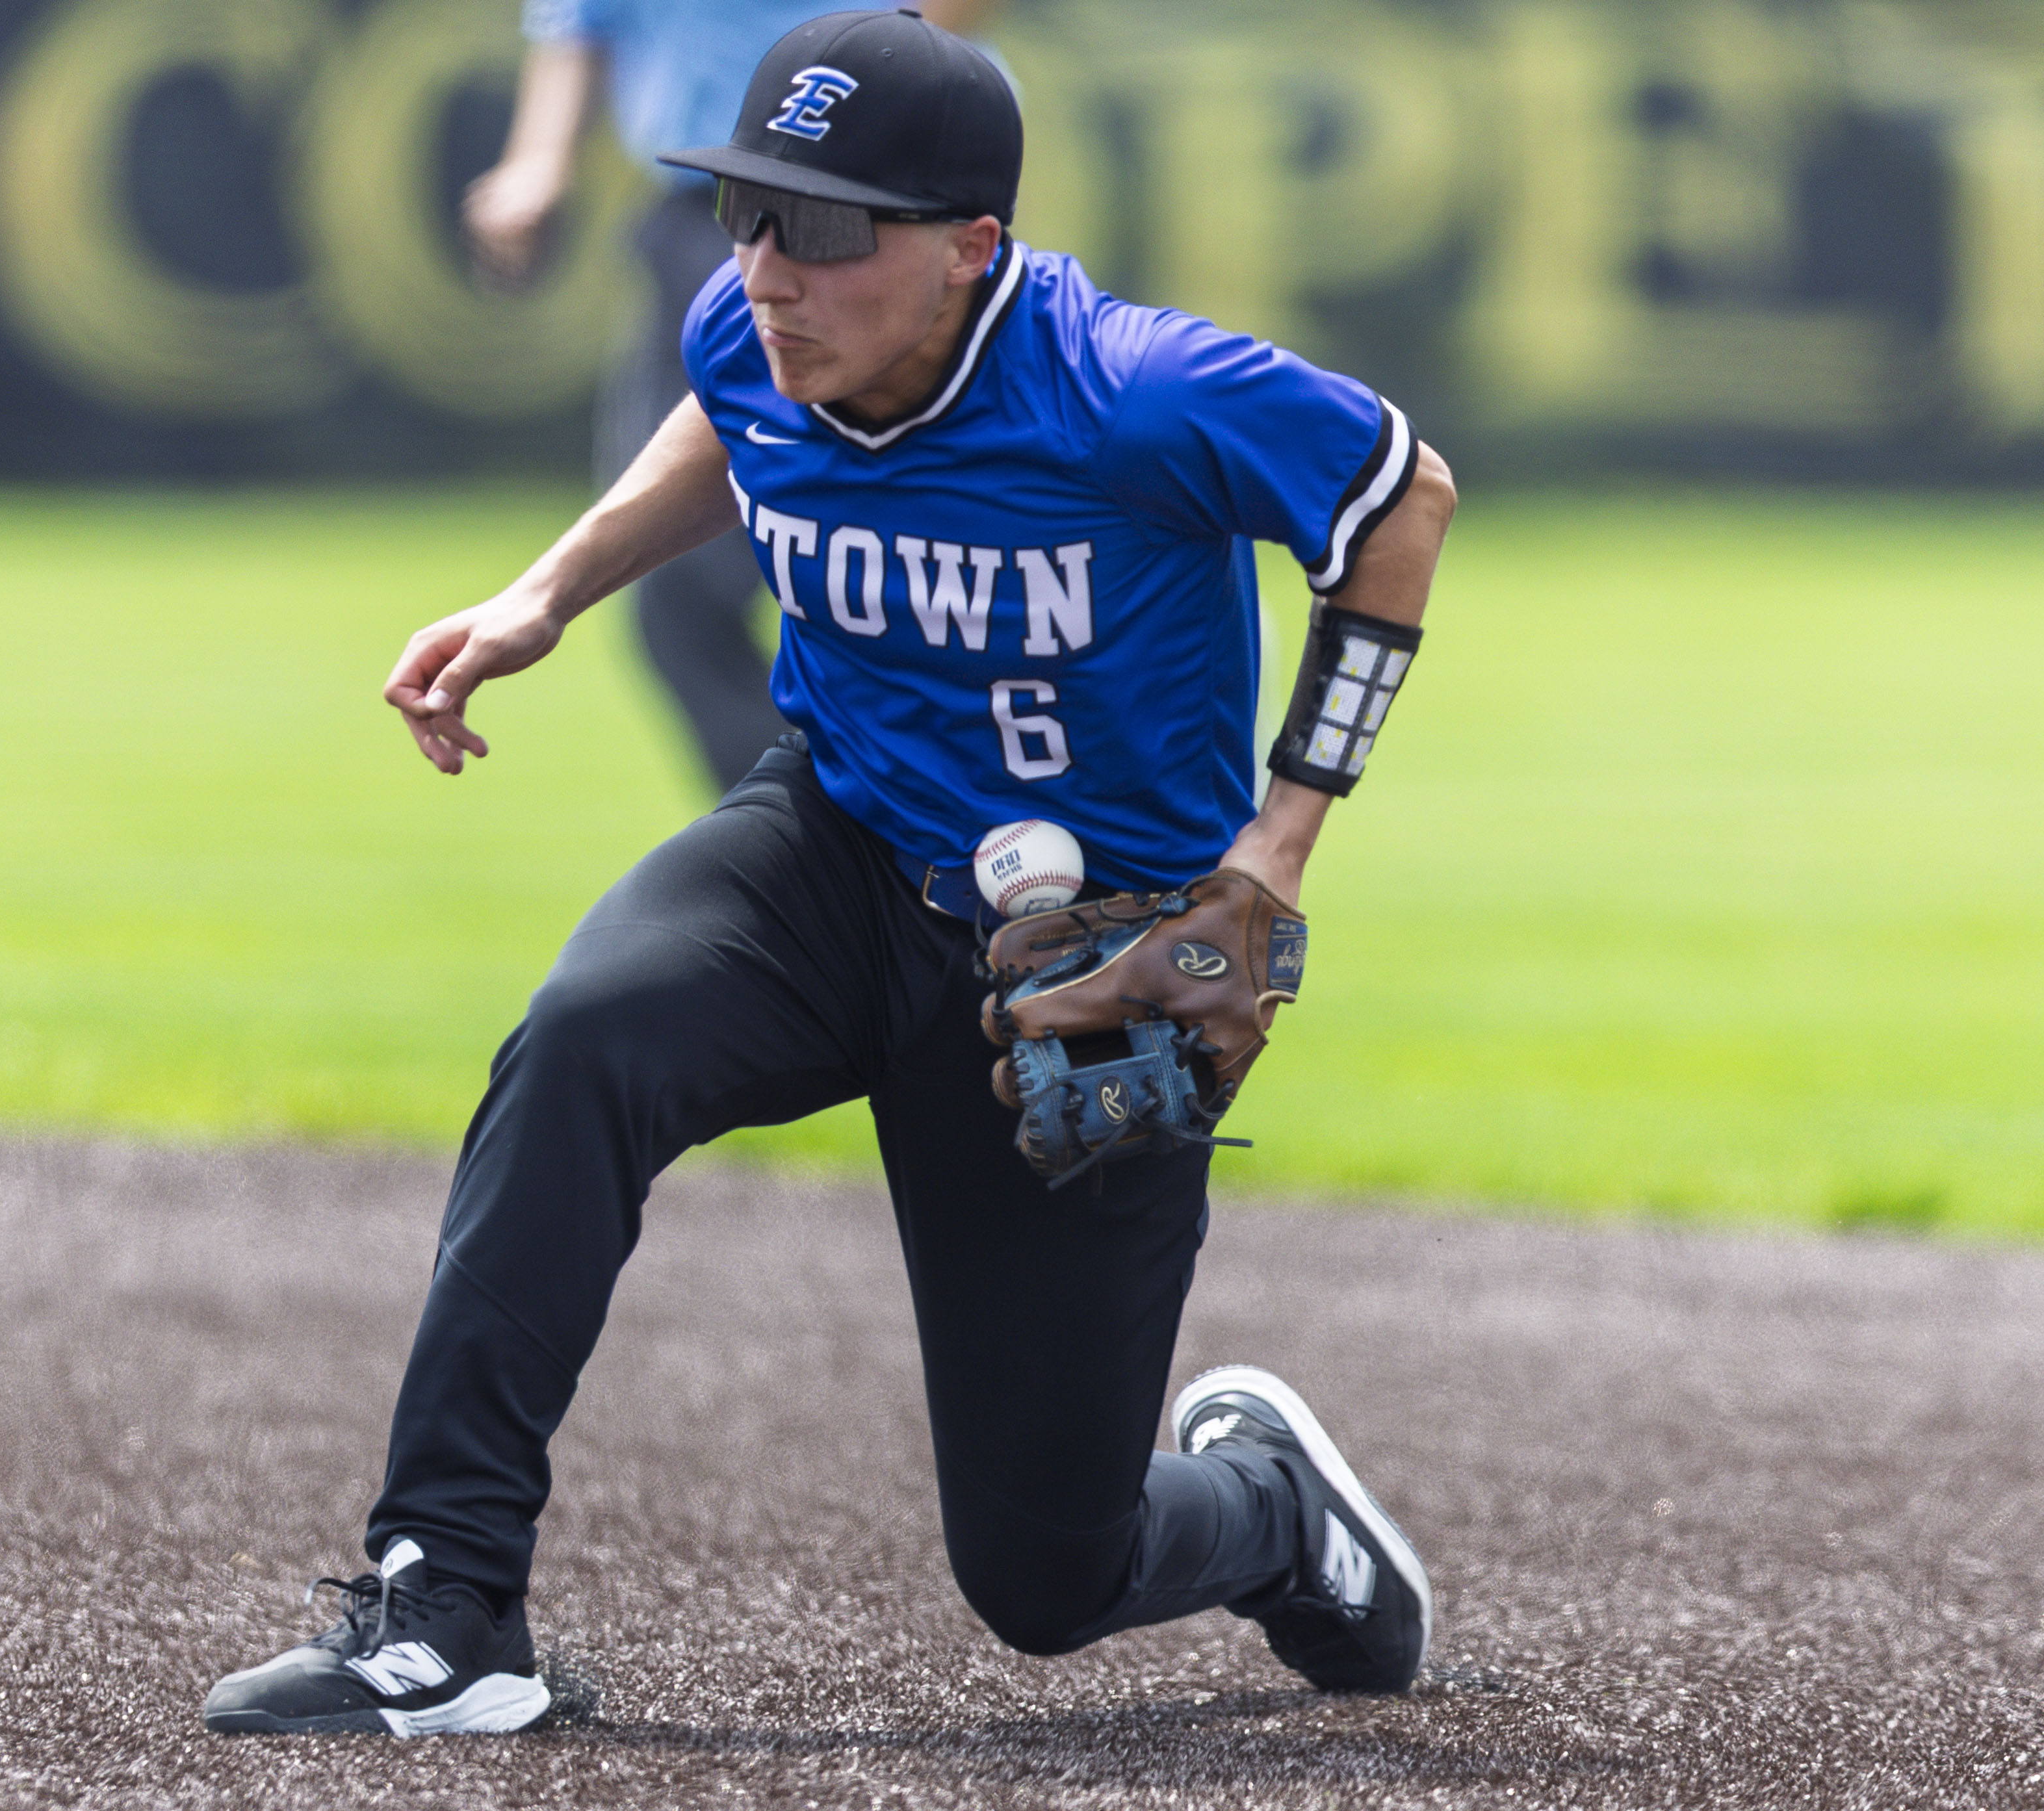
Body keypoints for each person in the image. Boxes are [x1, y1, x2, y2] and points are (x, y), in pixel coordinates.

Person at [203, 8, 1458, 1737]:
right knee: (582, 1045)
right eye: (745, 210)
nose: (768, 264)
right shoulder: (751, 322)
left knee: (1046, 1575)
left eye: (824, 226)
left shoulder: (1136, 391)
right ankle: (442, 1606)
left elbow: (1399, 496)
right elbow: (730, 415)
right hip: (832, 845)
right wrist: (545, 595)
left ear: (968, 247)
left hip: (1098, 945)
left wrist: (1274, 847)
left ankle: (1267, 1510)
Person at [467, 0, 1002, 791]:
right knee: (677, 600)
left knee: (947, 565)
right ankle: (820, 845)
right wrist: (537, 158)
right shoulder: (733, 279)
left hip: (887, 202)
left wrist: (886, 90)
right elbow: (580, 22)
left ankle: (959, 819)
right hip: (707, 206)